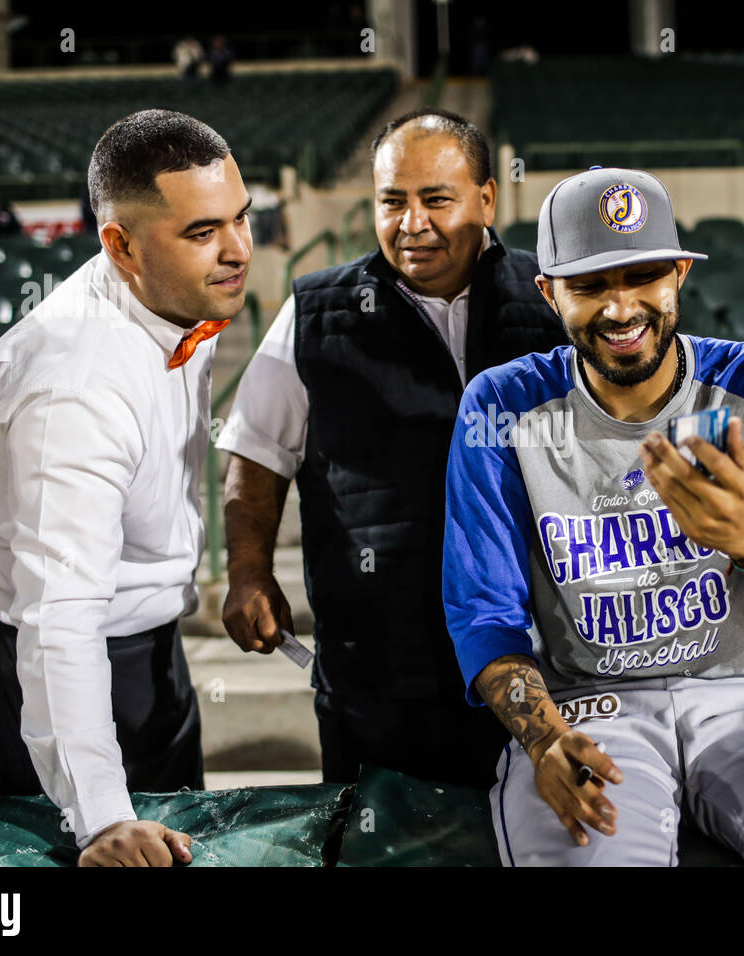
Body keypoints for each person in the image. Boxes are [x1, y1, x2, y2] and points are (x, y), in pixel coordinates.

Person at [443, 166, 744, 866]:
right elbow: (484, 613)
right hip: (589, 707)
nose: (620, 307)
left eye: (643, 277)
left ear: (678, 276)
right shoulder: (503, 407)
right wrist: (543, 738)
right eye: (591, 285)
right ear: (549, 293)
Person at [216, 108, 566, 788]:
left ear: (487, 199)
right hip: (377, 669)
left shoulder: (553, 301)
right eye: (391, 202)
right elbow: (257, 453)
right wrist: (248, 570)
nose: (412, 223)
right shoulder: (314, 313)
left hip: (540, 657)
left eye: (436, 199)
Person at [0, 109, 252, 866]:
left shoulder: (169, 290)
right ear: (119, 244)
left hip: (146, 637)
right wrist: (103, 816)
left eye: (242, 219)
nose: (238, 250)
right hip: (44, 655)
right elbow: (58, 620)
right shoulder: (74, 389)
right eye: (203, 232)